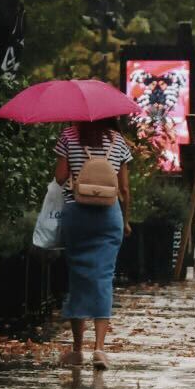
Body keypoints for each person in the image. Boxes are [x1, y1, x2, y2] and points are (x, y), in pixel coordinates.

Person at [54, 117, 134, 370]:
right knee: (103, 277)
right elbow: (124, 188)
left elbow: (59, 177)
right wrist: (127, 219)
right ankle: (99, 349)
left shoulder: (68, 136)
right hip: (109, 215)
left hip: (76, 213)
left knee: (78, 276)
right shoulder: (118, 141)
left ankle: (77, 350)